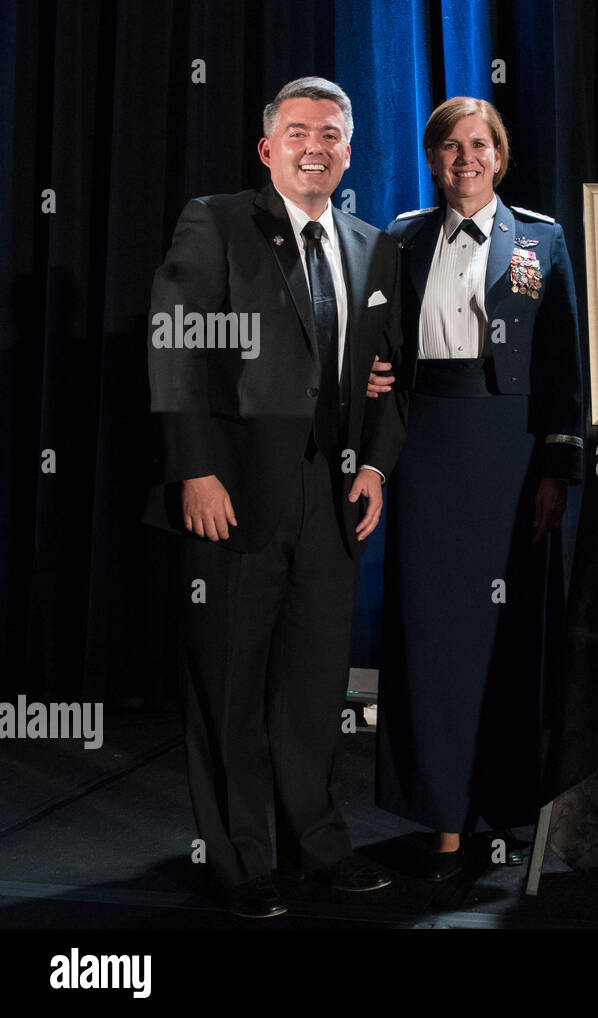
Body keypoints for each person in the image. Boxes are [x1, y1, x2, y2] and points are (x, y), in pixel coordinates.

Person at [145, 77, 404, 918]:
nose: (313, 146)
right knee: (229, 685)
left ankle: (317, 845)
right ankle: (239, 861)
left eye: (329, 133)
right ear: (268, 148)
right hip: (232, 493)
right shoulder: (216, 220)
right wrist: (194, 469)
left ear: (350, 151)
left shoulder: (372, 247)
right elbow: (176, 340)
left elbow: (386, 377)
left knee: (314, 687)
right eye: (297, 132)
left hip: (332, 502)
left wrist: (375, 467)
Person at [370, 97, 583, 882]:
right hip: (427, 449)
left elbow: (564, 360)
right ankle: (443, 821)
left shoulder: (542, 237)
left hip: (514, 453)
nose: (467, 157)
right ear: (433, 157)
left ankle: (510, 810)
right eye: (452, 146)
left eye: (481, 144)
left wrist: (561, 465)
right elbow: (378, 341)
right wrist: (369, 382)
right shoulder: (400, 236)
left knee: (510, 640)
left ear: (501, 154)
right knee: (435, 643)